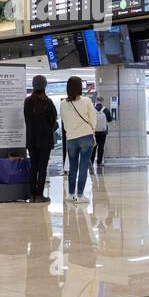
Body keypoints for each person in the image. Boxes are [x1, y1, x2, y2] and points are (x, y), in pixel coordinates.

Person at [60, 76, 97, 205]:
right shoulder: (86, 101)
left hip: (71, 138)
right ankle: (80, 195)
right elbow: (93, 119)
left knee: (73, 167)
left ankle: (70, 194)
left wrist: (71, 131)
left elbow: (64, 121)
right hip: (86, 136)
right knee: (83, 166)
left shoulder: (64, 103)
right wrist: (91, 130)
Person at [23, 76, 57, 201]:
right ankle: (39, 194)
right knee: (42, 167)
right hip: (45, 140)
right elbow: (53, 121)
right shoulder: (48, 102)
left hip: (31, 139)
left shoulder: (27, 101)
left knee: (33, 166)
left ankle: (31, 194)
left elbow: (26, 119)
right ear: (44, 86)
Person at [93, 95, 110, 170]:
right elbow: (109, 119)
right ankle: (99, 162)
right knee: (101, 147)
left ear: (96, 101)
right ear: (102, 101)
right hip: (103, 132)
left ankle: (91, 161)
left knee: (94, 147)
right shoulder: (105, 110)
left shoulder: (92, 109)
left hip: (94, 132)